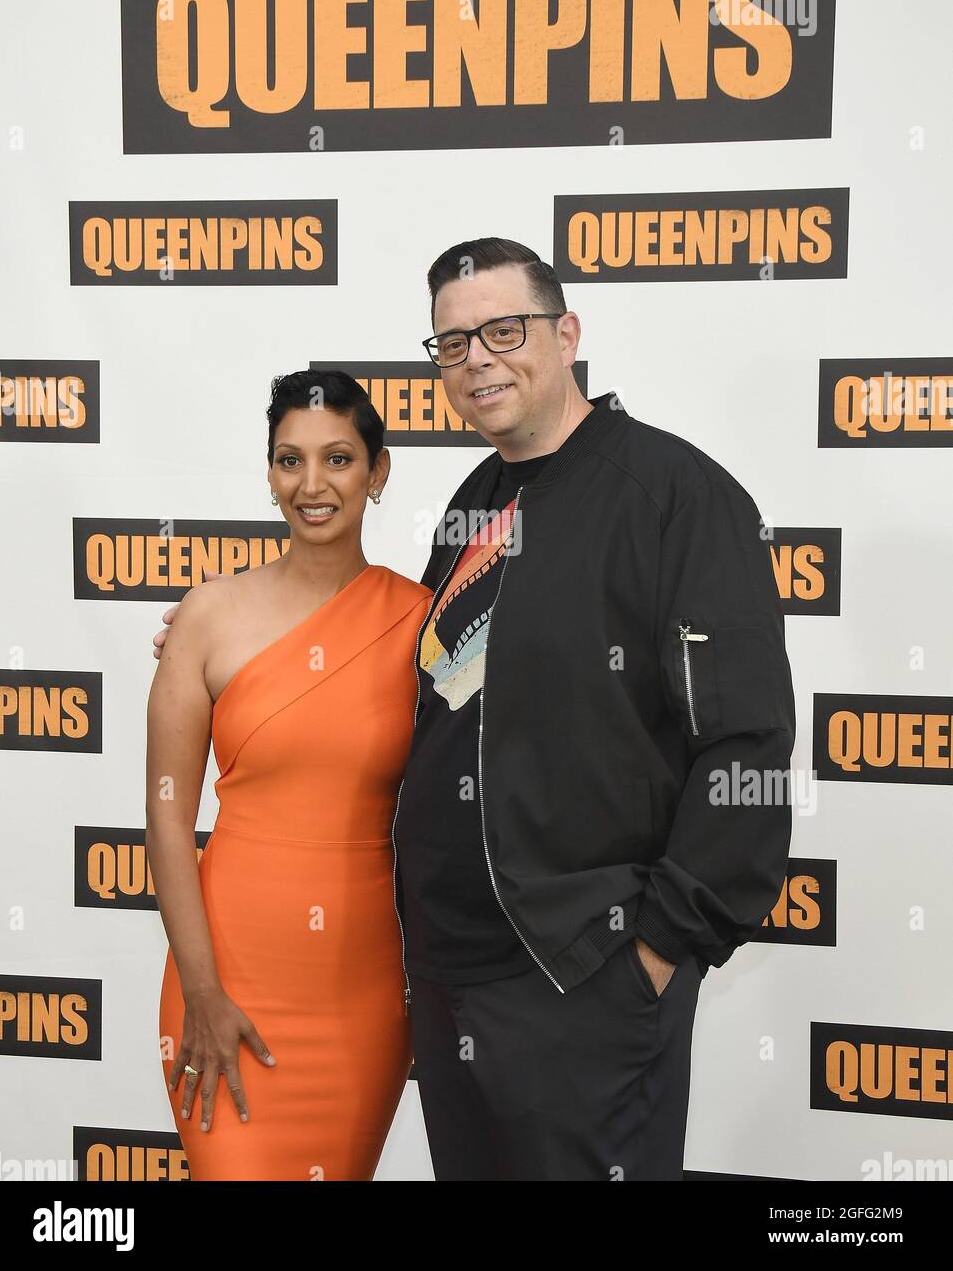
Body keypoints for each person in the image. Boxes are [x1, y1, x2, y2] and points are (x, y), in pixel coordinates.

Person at [154, 238, 796, 1182]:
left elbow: (746, 745)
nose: (476, 360)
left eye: (504, 330)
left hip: (585, 975)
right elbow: (407, 682)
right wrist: (221, 636)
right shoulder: (477, 501)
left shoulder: (676, 497)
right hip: (449, 977)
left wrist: (662, 947)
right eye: (452, 345)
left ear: (568, 333)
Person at [147, 369, 432, 1180]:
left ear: (378, 474)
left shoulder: (423, 623)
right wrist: (202, 996)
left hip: (362, 991)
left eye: (339, 459)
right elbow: (168, 817)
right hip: (224, 977)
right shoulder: (207, 615)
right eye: (289, 459)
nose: (312, 485)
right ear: (268, 470)